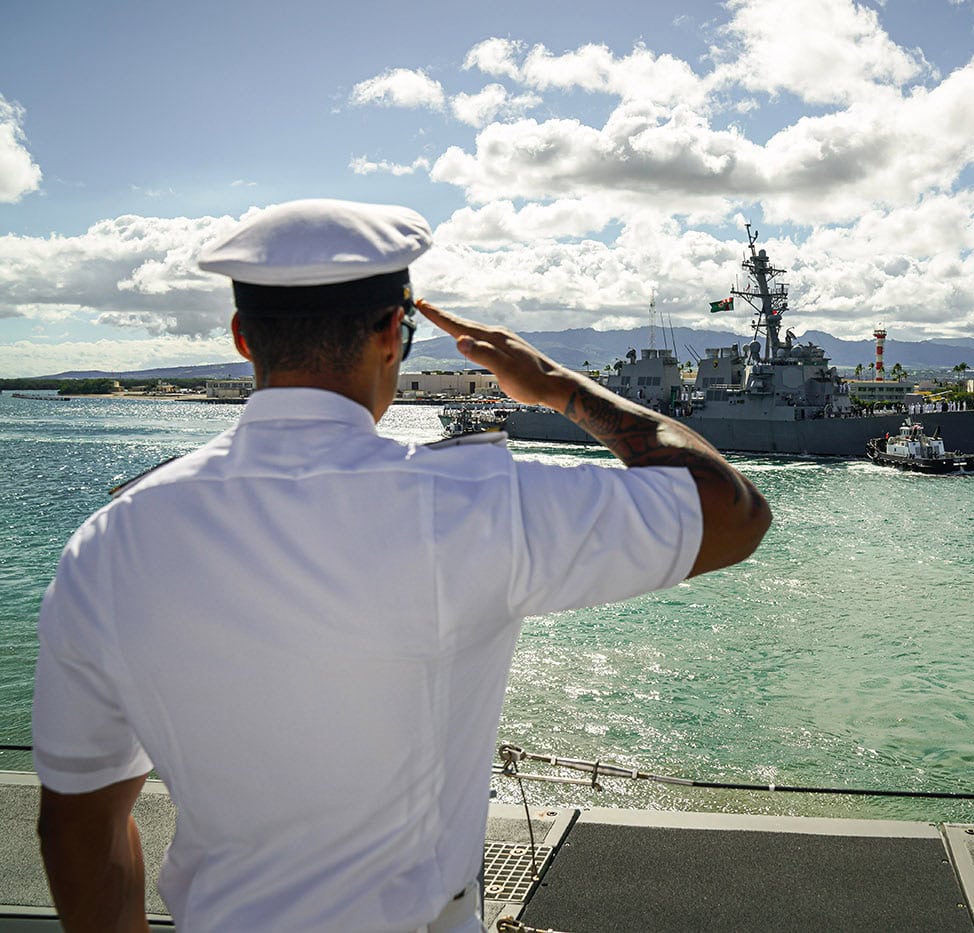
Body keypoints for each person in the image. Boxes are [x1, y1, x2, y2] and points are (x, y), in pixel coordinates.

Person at [31, 199, 770, 932]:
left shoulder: (109, 543)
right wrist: (554, 384)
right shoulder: (478, 503)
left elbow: (80, 829)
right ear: (393, 332)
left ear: (240, 338)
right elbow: (735, 514)